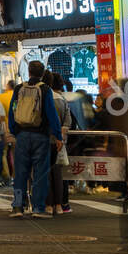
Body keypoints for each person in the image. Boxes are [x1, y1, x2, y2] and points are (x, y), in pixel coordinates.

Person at [8, 61, 63, 218]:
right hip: (41, 136)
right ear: (42, 73)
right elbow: (51, 114)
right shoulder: (45, 90)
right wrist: (58, 136)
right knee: (40, 174)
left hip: (22, 136)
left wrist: (15, 130)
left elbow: (13, 110)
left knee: (20, 173)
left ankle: (18, 206)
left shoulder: (19, 88)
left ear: (29, 72)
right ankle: (38, 208)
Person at [46, 72, 73, 215]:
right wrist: (61, 136)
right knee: (57, 174)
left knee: (46, 173)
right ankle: (59, 205)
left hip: (45, 140)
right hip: (59, 142)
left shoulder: (45, 97)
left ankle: (48, 205)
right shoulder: (62, 99)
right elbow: (68, 121)